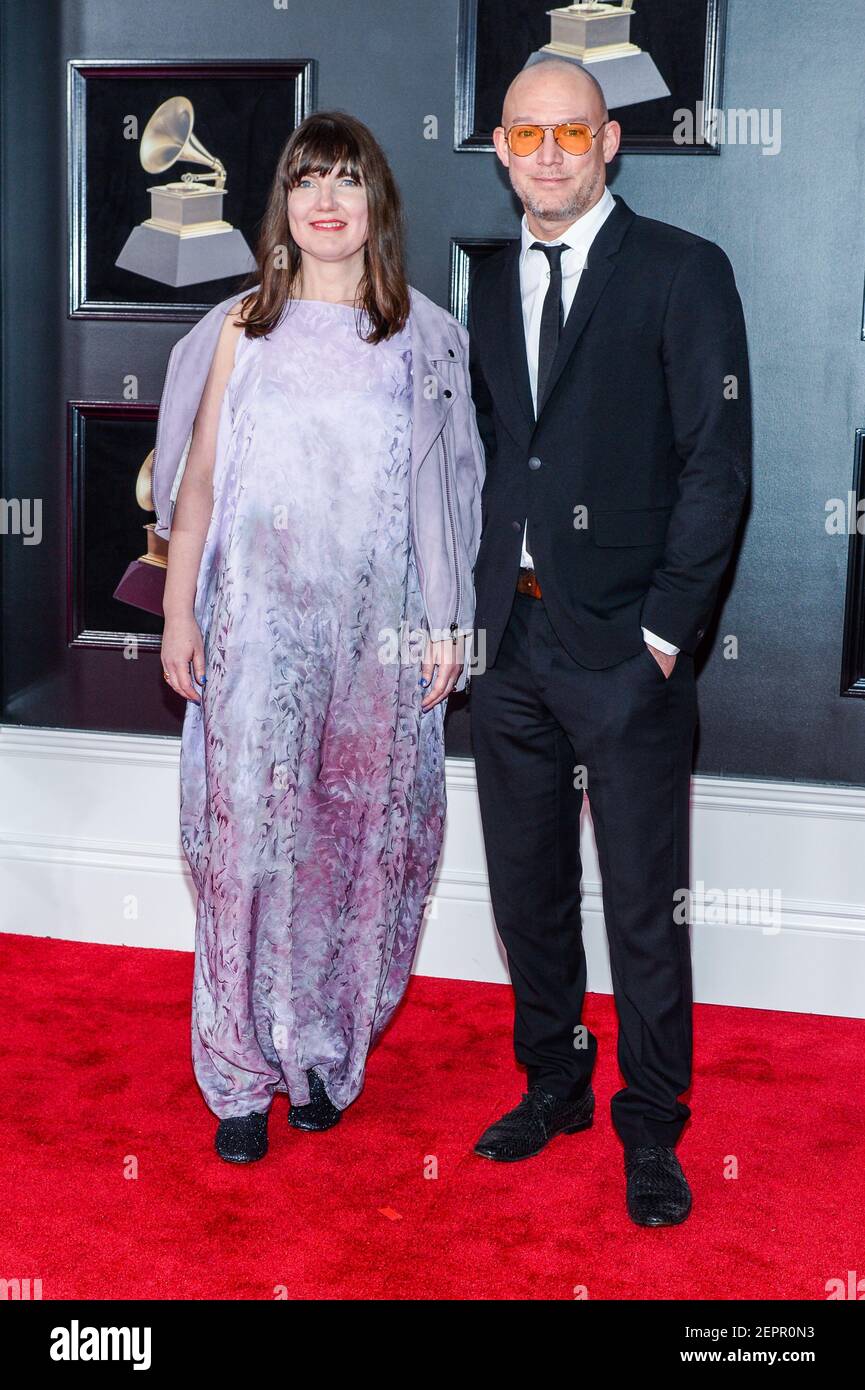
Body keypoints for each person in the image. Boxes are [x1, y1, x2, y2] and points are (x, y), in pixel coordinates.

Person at [154, 111, 484, 1163]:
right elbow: (194, 486)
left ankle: (321, 1056)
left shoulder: (427, 336)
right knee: (246, 849)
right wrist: (178, 610)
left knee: (358, 852)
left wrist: (449, 625)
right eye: (308, 180)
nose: (327, 198)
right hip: (255, 637)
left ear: (376, 205)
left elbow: (454, 495)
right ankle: (240, 1073)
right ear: (283, 205)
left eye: (348, 179)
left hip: (376, 648)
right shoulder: (238, 330)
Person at [466, 58, 751, 1224]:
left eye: (569, 134)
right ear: (498, 147)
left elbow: (715, 471)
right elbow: (491, 462)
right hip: (511, 642)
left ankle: (652, 1125)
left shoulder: (684, 270)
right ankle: (554, 1081)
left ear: (610, 141)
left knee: (643, 903)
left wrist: (664, 639)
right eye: (526, 136)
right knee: (527, 892)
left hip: (628, 655)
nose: (547, 154)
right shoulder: (485, 280)